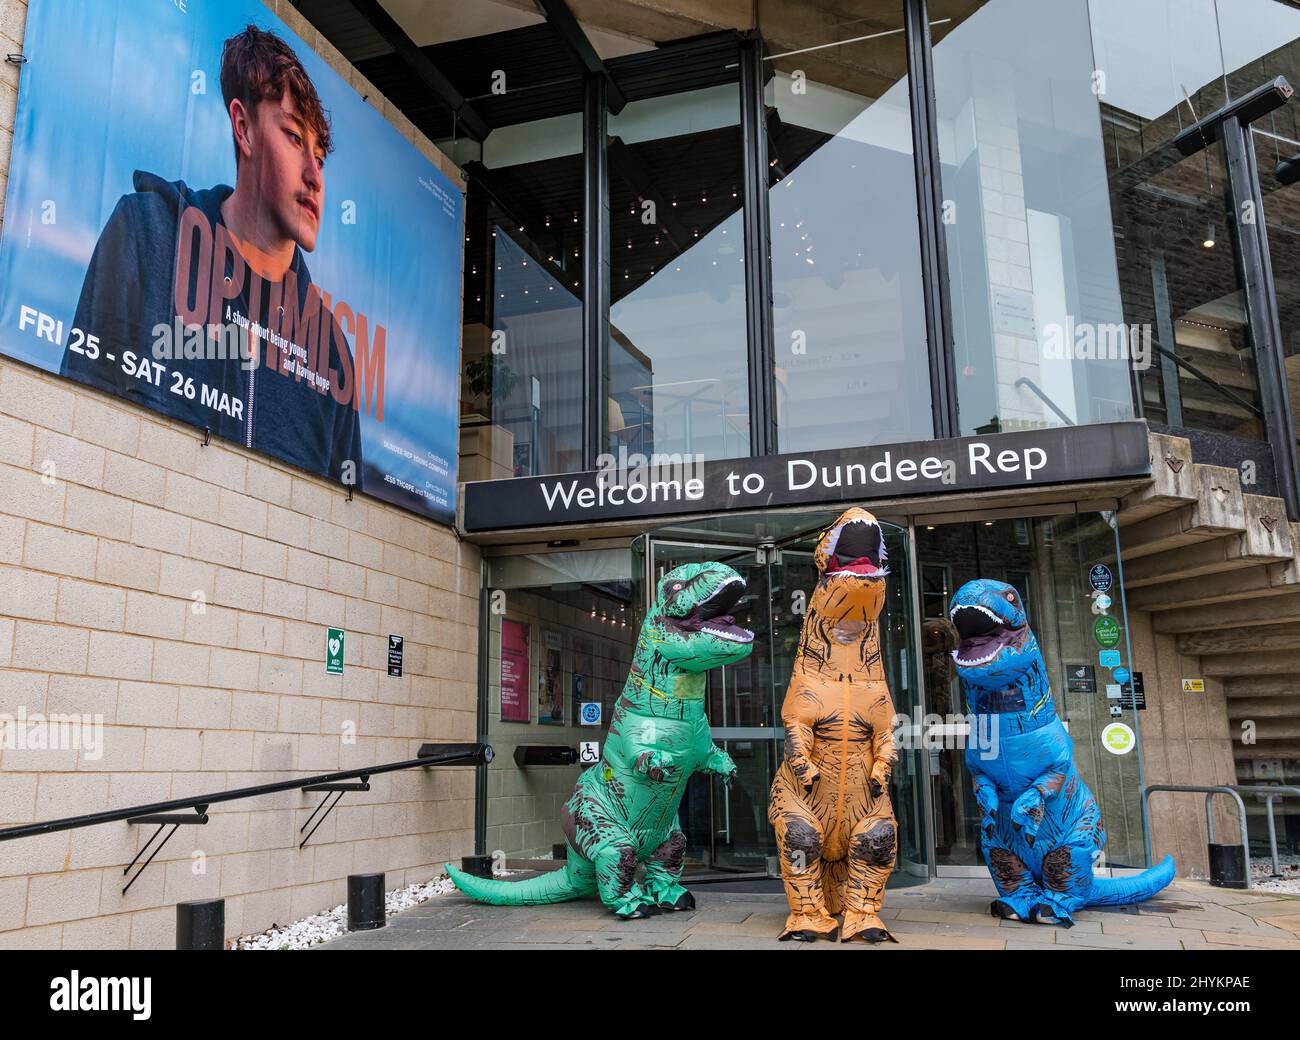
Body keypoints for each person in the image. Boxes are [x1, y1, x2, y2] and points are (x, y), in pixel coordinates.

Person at [63, 24, 361, 484]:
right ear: (243, 128)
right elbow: (77, 417)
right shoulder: (146, 233)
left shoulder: (331, 353)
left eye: (320, 157)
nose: (314, 176)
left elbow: (345, 523)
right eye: (295, 138)